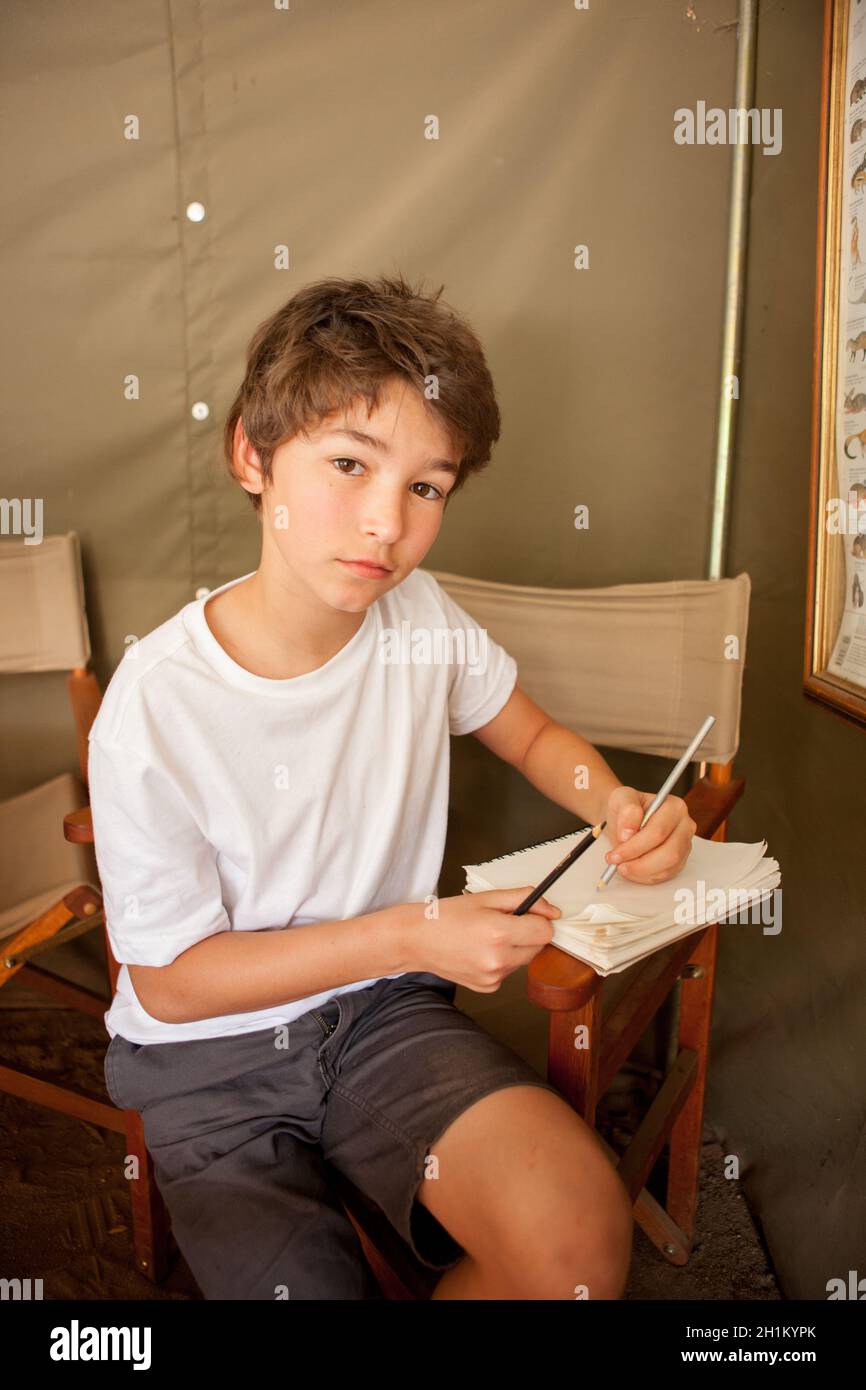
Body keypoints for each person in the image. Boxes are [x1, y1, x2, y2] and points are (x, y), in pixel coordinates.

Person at [89, 272, 696, 1300]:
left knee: (576, 1247)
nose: (384, 523)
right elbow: (171, 982)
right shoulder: (154, 705)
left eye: (426, 487)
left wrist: (614, 803)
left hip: (381, 1020)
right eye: (347, 464)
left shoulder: (419, 618)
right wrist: (413, 931)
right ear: (252, 455)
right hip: (206, 1063)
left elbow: (533, 733)